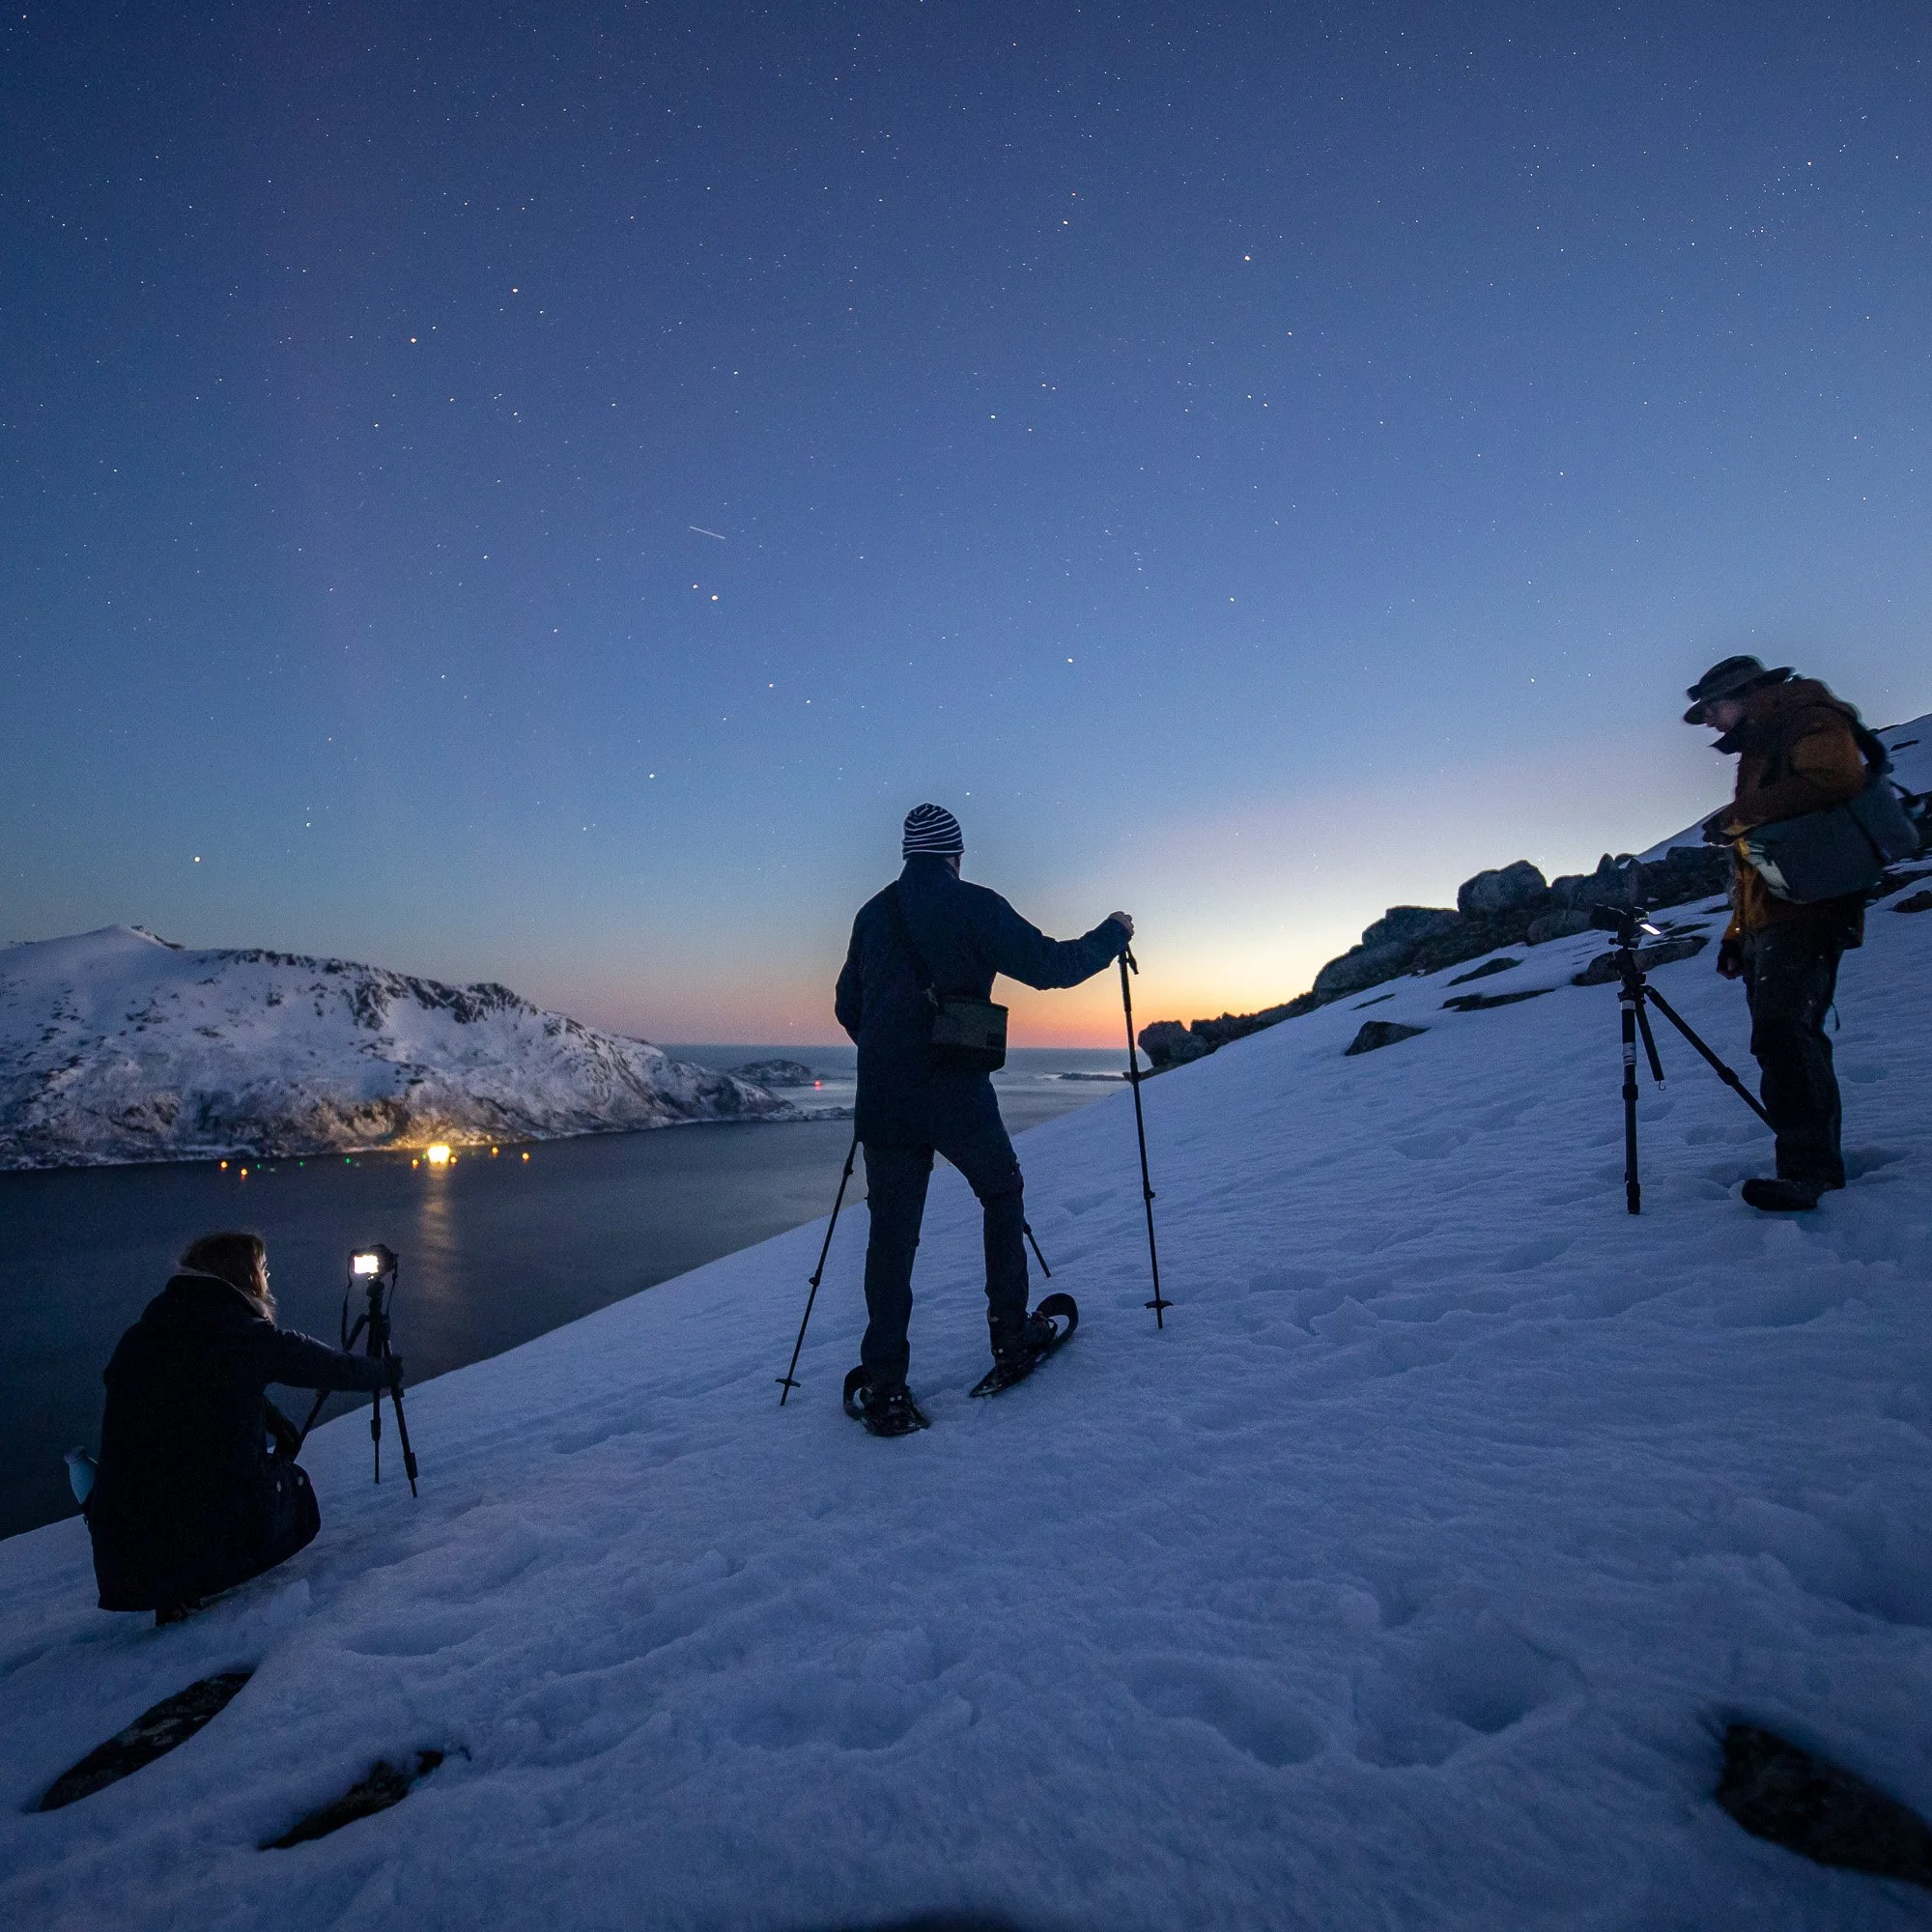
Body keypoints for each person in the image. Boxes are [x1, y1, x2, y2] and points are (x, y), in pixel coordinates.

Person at [834, 803, 1132, 1435]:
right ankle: (1010, 1335)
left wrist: (890, 1049)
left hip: (885, 1098)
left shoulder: (873, 914)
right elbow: (1051, 967)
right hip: (956, 1090)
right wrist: (1112, 934)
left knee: (891, 1236)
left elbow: (847, 1004)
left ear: (908, 853)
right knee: (1001, 1192)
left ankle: (886, 1387)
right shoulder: (975, 905)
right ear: (955, 855)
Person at [87, 1231, 402, 1623]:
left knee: (177, 1478)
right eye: (263, 1268)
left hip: (123, 1543)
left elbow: (189, 1385)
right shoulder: (244, 1335)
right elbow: (325, 1366)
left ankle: (176, 1586)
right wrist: (385, 1372)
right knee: (296, 1489)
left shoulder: (142, 1335)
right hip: (205, 1524)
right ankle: (209, 1576)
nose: (266, 1275)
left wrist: (271, 1417)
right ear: (244, 1275)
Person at [1684, 654, 1870, 1212]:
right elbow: (1758, 860)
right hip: (1776, 917)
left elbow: (1834, 778)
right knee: (1780, 1038)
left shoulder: (1807, 717)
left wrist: (1737, 816)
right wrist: (1738, 933)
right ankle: (1806, 1160)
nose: (1713, 723)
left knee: (1787, 1035)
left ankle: (1809, 1172)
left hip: (1808, 912)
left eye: (1714, 709)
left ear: (1744, 693)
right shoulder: (1764, 745)